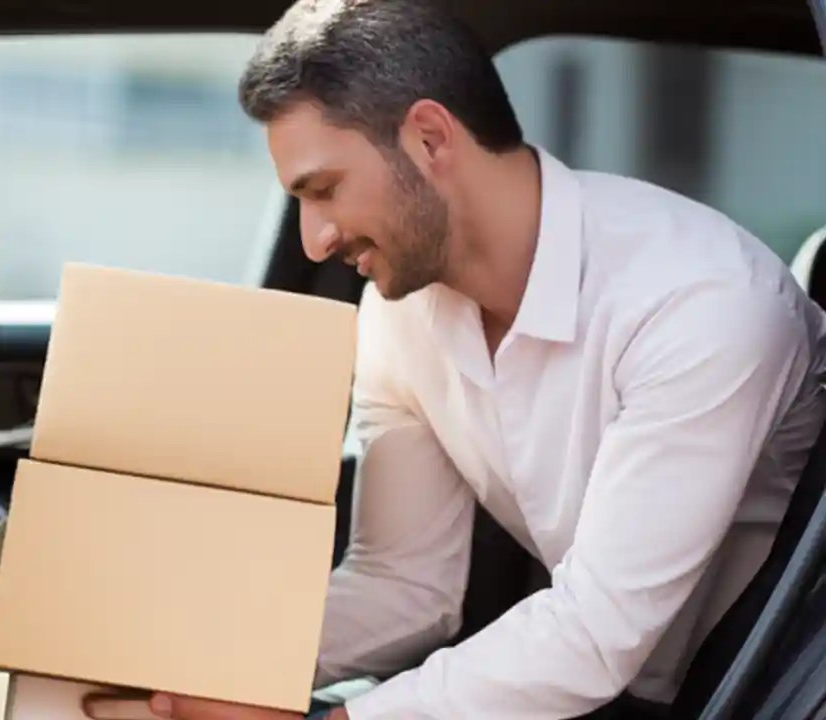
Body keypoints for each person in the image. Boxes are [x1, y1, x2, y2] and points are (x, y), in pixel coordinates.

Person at [145, 0, 826, 718]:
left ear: (430, 138)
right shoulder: (399, 316)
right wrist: (208, 668)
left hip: (751, 691)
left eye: (325, 190)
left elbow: (594, 634)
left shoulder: (698, 302)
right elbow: (405, 587)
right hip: (596, 691)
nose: (315, 239)